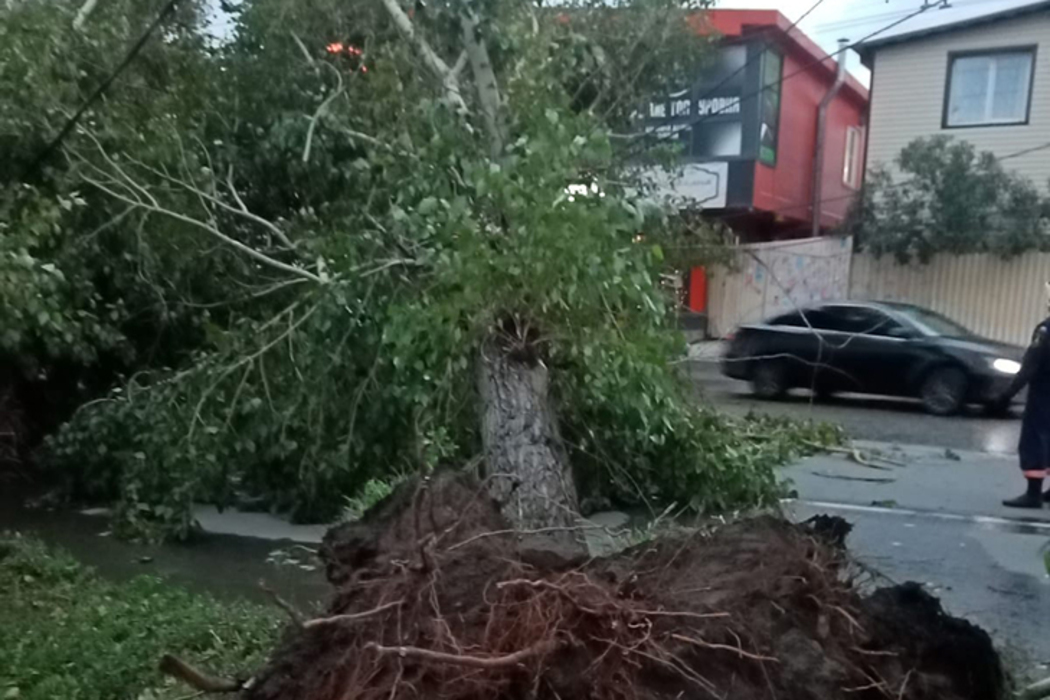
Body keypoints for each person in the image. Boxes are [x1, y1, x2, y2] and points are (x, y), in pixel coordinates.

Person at [999, 283, 1050, 508]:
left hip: (1044, 394)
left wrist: (1006, 395)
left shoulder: (1045, 330)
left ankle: (1033, 494)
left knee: (1035, 439)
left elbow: (1030, 367)